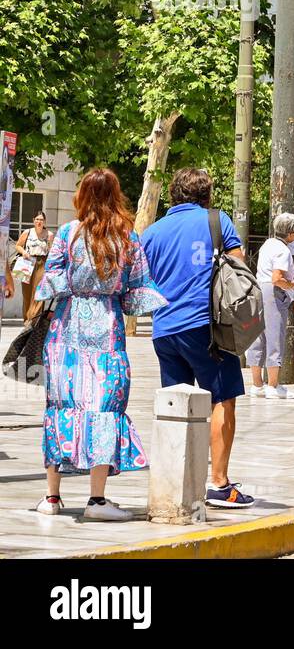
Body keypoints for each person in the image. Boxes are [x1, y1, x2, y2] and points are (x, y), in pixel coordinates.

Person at [34, 168, 167, 520]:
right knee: (105, 410)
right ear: (116, 196)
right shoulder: (127, 239)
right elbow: (136, 292)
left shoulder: (66, 234)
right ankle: (97, 500)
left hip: (65, 331)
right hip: (108, 332)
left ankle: (51, 498)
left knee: (60, 406)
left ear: (82, 196)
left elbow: (50, 283)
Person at [140, 168, 253, 509]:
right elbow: (238, 265)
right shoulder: (216, 221)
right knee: (222, 399)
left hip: (164, 330)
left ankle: (176, 481)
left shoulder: (152, 232)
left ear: (173, 194)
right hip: (207, 328)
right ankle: (219, 483)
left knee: (177, 403)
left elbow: (142, 277)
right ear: (207, 195)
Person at [251, 213, 294, 398]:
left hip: (259, 289)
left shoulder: (268, 244)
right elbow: (277, 278)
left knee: (258, 337)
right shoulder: (283, 250)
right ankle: (273, 386)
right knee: (275, 336)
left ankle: (257, 384)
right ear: (290, 233)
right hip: (273, 294)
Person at [16, 211, 53, 320]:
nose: (39, 222)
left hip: (42, 262)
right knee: (26, 293)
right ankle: (27, 320)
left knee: (39, 292)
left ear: (44, 221)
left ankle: (35, 320)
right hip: (26, 262)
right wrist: (23, 252)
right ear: (33, 220)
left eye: (41, 220)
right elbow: (18, 246)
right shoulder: (27, 232)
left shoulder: (49, 234)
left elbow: (51, 251)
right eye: (37, 219)